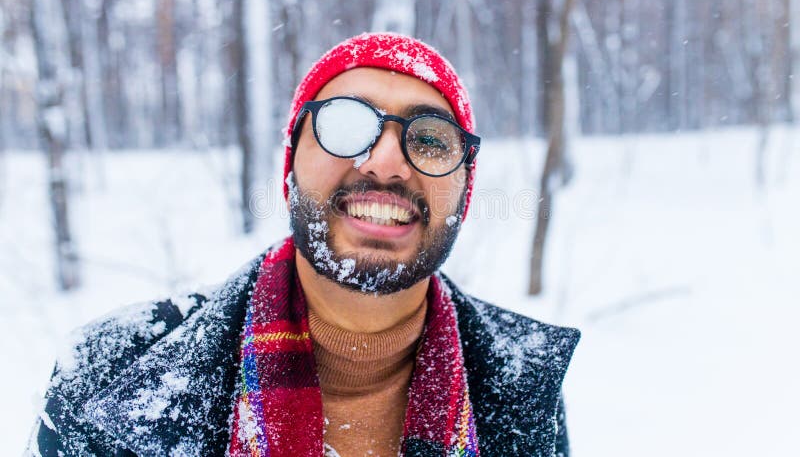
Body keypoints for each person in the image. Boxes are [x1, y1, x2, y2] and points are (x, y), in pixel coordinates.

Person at [29, 33, 580, 457]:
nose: (385, 163)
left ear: (464, 189)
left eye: (430, 139)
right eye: (345, 125)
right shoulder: (108, 384)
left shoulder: (519, 381)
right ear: (290, 166)